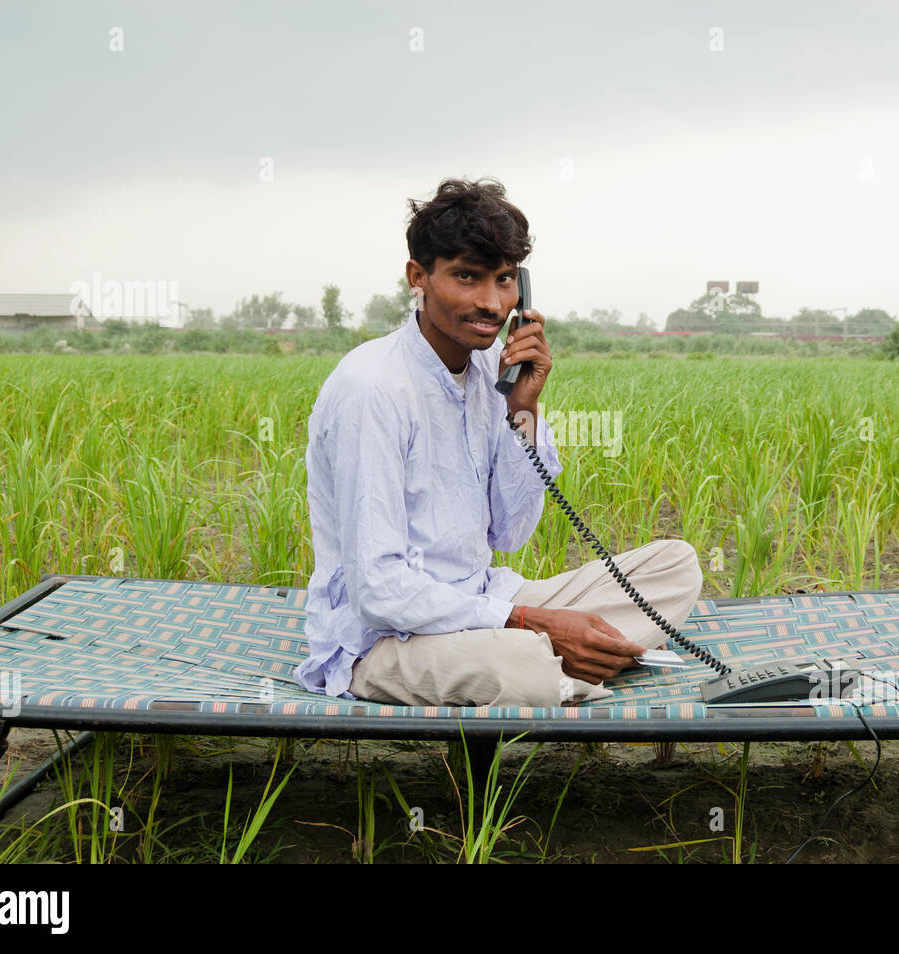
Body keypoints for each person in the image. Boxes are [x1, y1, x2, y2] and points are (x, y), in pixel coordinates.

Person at [295, 177, 703, 707]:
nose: (491, 302)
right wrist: (532, 623)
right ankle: (565, 662)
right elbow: (378, 591)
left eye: (505, 280)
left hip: (483, 601)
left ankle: (565, 661)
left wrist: (523, 409)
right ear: (418, 277)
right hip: (385, 639)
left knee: (675, 567)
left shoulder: (494, 369)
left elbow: (510, 531)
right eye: (467, 277)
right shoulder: (372, 389)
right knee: (524, 667)